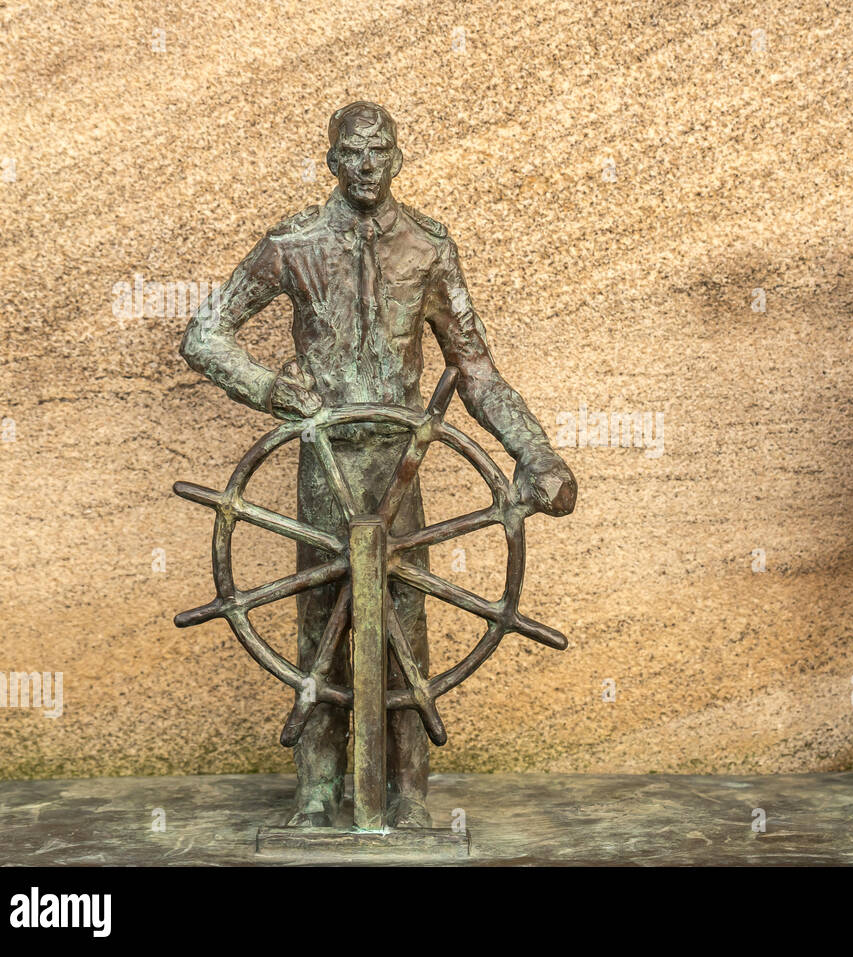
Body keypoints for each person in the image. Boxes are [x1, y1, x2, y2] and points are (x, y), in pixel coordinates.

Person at [180, 101, 575, 828]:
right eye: (351, 153)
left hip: (398, 466)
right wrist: (269, 387)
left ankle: (409, 798)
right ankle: (317, 796)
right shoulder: (293, 243)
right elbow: (204, 334)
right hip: (324, 461)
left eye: (379, 151)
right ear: (330, 160)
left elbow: (476, 369)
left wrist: (536, 449)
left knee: (404, 626)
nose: (365, 166)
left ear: (398, 157)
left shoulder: (428, 247)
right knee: (319, 629)